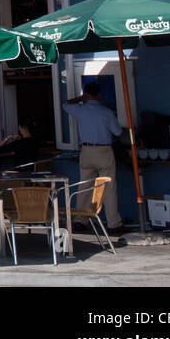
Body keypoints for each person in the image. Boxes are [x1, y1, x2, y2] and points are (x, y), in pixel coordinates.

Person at [65, 82, 123, 232]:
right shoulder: (106, 112)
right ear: (99, 95)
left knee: (84, 186)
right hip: (103, 151)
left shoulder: (80, 109)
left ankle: (80, 219)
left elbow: (65, 104)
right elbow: (118, 132)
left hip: (86, 150)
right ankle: (113, 223)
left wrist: (81, 98)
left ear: (86, 94)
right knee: (109, 187)